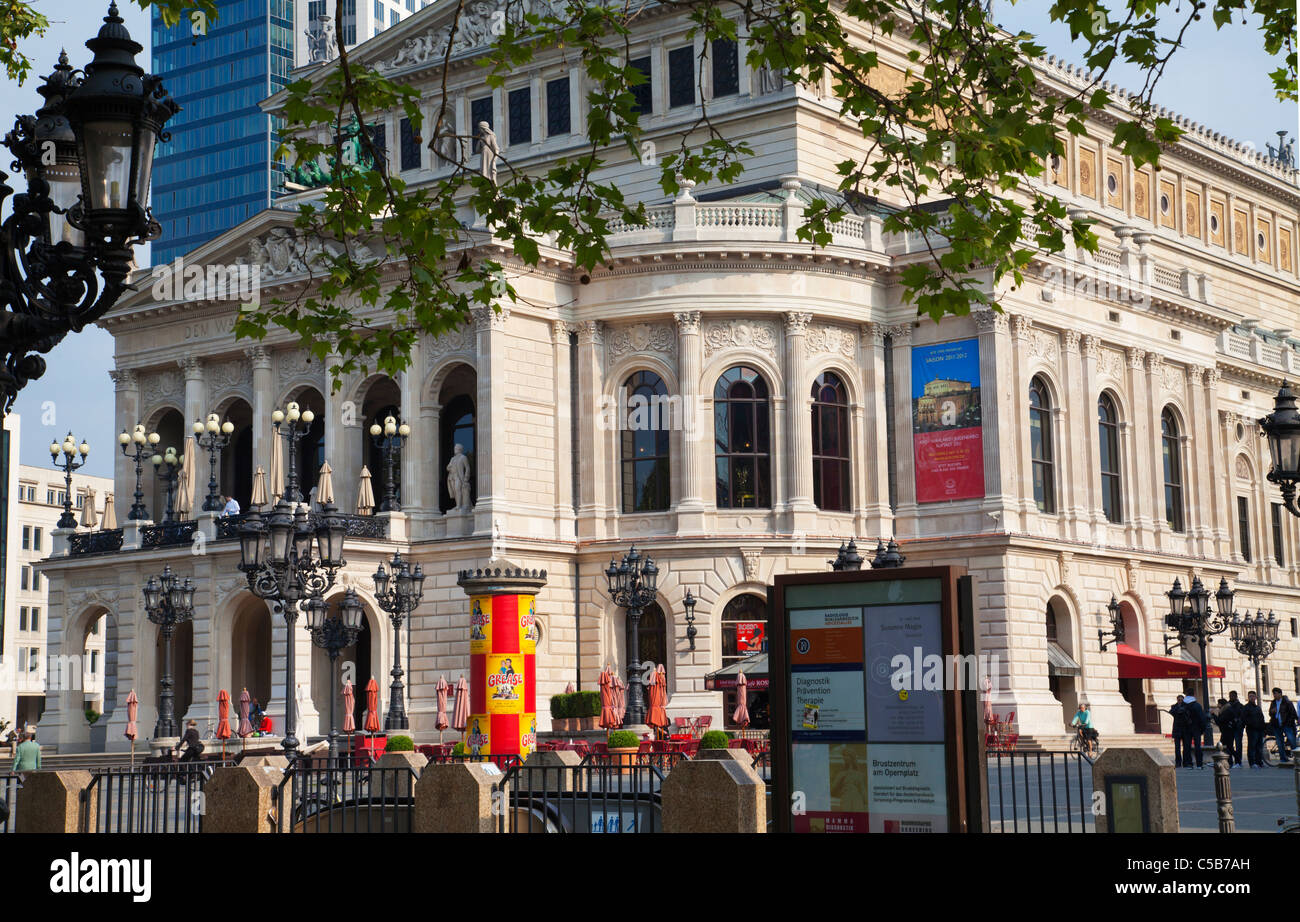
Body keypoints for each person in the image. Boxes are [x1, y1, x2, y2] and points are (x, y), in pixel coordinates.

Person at [1269, 687, 1298, 764]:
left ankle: (1297, 758)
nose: (1274, 695)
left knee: (1292, 740)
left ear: (1280, 694)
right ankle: (1283, 758)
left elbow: (1293, 713)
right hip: (1276, 725)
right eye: (1273, 694)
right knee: (1279, 742)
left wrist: (1289, 722)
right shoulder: (1273, 703)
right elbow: (1270, 713)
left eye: (1275, 693)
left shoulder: (1287, 702)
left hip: (1286, 724)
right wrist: (1272, 711)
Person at [1244, 690, 1268, 768]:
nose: (1251, 698)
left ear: (1255, 697)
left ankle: (1259, 762)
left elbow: (1262, 718)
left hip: (1259, 729)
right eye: (1250, 696)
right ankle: (1252, 763)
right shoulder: (1246, 707)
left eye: (1253, 696)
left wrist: (1264, 729)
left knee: (1259, 747)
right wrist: (1251, 724)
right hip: (1251, 730)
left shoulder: (1258, 708)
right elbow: (1244, 718)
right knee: (1252, 746)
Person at [1180, 695, 1205, 769]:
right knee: (1198, 746)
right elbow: (1202, 718)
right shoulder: (1197, 706)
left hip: (1186, 728)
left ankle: (1188, 764)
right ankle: (1199, 764)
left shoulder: (1183, 706)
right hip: (1196, 728)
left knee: (1187, 746)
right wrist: (1202, 729)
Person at [1221, 691, 1245, 767]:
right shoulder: (1228, 705)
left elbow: (1242, 717)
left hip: (1238, 728)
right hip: (1230, 729)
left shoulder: (1240, 706)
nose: (1231, 697)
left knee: (1238, 745)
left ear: (1236, 696)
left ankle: (1238, 761)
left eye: (1232, 696)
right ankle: (1230, 761)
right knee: (1230, 746)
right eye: (1230, 695)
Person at [1169, 697, 1188, 768]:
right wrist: (1178, 708)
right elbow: (1171, 712)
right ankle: (1178, 762)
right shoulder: (1174, 706)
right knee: (1177, 748)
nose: (1180, 701)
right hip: (1177, 730)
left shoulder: (1186, 706)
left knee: (1185, 747)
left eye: (1181, 700)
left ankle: (1185, 762)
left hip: (1185, 730)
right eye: (1179, 700)